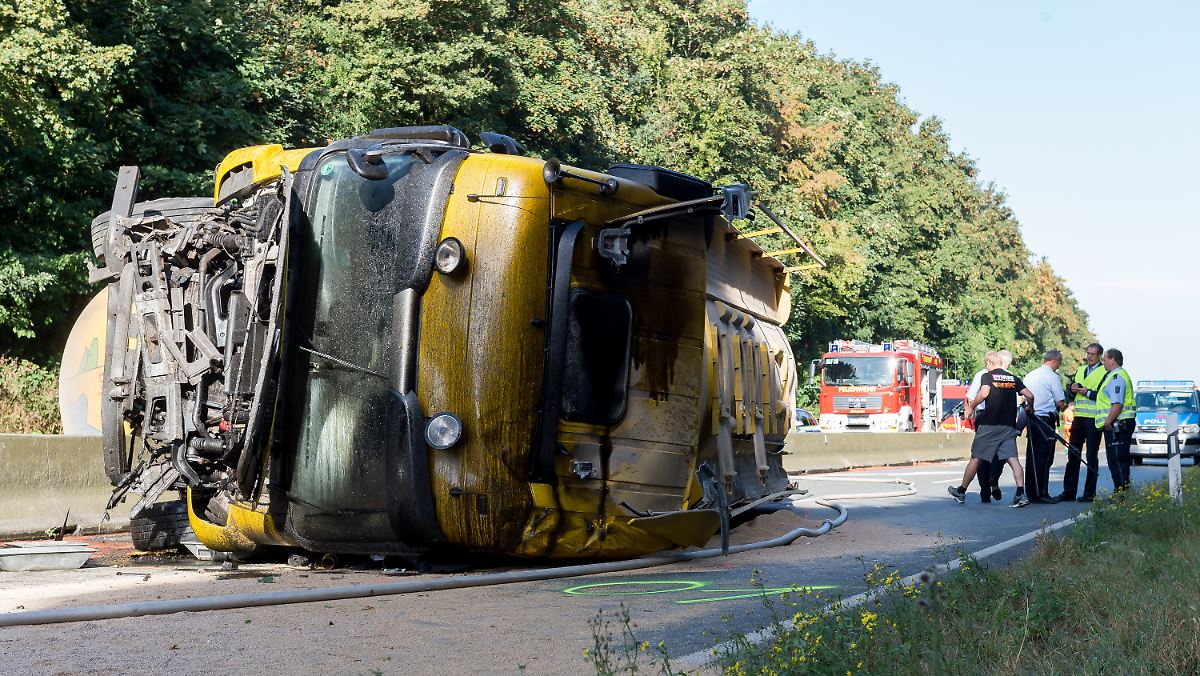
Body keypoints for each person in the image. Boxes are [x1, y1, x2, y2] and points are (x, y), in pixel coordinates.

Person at [948, 351, 1035, 507]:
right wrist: (1030, 408)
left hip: (989, 425)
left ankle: (961, 492)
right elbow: (1029, 395)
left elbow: (984, 393)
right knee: (1013, 460)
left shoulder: (987, 376)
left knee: (976, 458)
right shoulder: (1012, 378)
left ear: (989, 363)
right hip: (1008, 426)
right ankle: (1021, 494)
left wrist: (972, 407)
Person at [964, 349, 1012, 502]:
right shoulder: (1009, 377)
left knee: (981, 455)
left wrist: (971, 409)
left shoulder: (982, 375)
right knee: (1002, 454)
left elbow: (971, 396)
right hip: (1004, 419)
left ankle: (985, 491)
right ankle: (993, 479)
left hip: (985, 417)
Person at [1060, 343, 1105, 502]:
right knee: (1073, 454)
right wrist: (1072, 391)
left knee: (1091, 456)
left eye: (1093, 354)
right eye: (1088, 353)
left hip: (1094, 419)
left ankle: (1089, 493)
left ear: (1099, 355)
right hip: (1078, 417)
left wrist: (1088, 393)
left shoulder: (1104, 372)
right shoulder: (1080, 370)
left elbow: (1103, 396)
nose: (1090, 356)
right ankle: (1069, 492)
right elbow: (1071, 396)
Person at [1022, 350, 1067, 503]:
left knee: (1032, 456)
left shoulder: (1030, 375)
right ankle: (1042, 492)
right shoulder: (1052, 377)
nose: (1058, 367)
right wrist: (1065, 406)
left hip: (1031, 418)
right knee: (1045, 458)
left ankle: (1031, 492)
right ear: (1054, 361)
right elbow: (1060, 402)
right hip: (1046, 420)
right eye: (1059, 364)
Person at [1095, 348, 1136, 494]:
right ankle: (1121, 491)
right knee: (1117, 459)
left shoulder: (1116, 377)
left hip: (1118, 424)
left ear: (1112, 360)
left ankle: (1121, 493)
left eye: (1105, 359)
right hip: (1119, 423)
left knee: (1117, 460)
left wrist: (1107, 421)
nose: (1103, 362)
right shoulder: (1114, 376)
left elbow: (1117, 404)